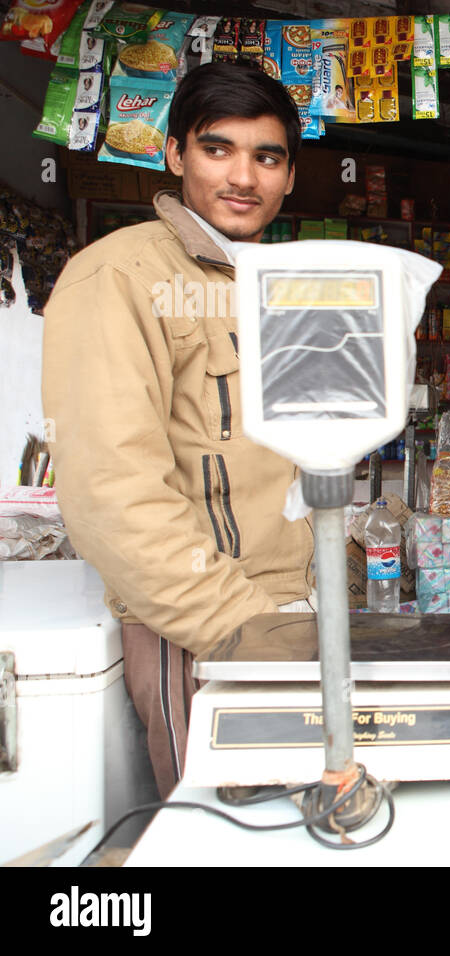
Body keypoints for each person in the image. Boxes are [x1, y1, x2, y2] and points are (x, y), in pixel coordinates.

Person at [42, 62, 313, 797]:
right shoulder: (119, 276)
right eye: (217, 149)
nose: (243, 177)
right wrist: (243, 629)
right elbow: (111, 491)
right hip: (200, 632)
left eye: (267, 156)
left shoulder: (274, 284)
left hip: (292, 612)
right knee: (225, 832)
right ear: (173, 155)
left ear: (289, 175)